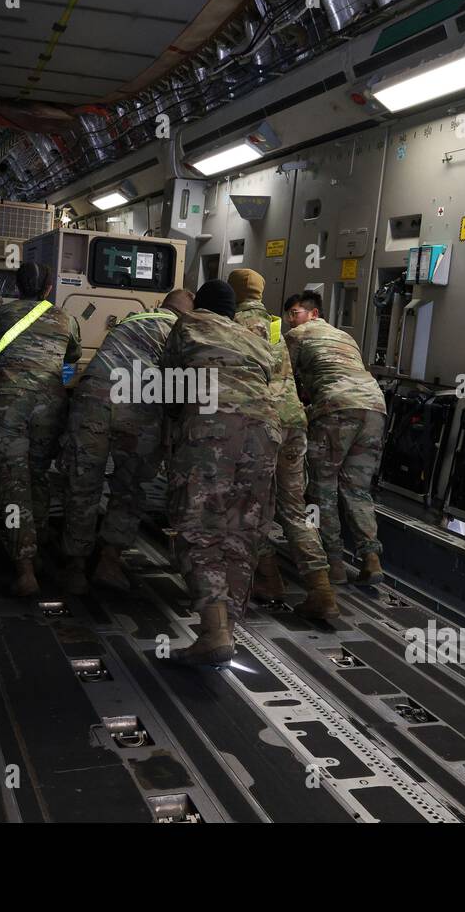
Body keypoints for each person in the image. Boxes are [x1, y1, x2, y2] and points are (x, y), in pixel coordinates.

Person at [163, 279, 282, 665]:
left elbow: (169, 386)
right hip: (264, 434)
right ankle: (226, 627)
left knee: (199, 525)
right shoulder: (257, 340)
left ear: (200, 303)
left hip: (213, 429)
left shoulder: (189, 324)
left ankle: (215, 632)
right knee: (243, 528)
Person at [60, 288, 195, 595]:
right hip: (139, 407)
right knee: (130, 485)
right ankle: (109, 560)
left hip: (94, 398)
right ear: (187, 314)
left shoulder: (130, 320)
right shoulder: (181, 332)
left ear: (161, 304)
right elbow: (176, 390)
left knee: (83, 481)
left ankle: (75, 567)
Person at [228, 270, 336, 618]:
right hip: (293, 422)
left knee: (251, 504)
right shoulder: (277, 326)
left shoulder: (231, 324)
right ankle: (321, 590)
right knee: (294, 509)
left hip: (261, 426)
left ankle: (269, 578)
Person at [0, 261, 81, 596]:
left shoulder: (3, 315)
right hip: (48, 407)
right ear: (49, 288)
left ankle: (24, 569)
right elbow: (72, 357)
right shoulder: (66, 318)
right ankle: (38, 545)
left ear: (16, 287)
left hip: (7, 403)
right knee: (36, 474)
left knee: (12, 481)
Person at [283, 290, 388, 592]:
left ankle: (334, 563)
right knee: (357, 488)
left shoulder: (298, 336)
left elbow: (282, 379)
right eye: (289, 314)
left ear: (314, 314)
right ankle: (370, 558)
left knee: (322, 485)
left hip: (336, 410)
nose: (292, 319)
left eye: (296, 312)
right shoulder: (346, 337)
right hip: (374, 409)